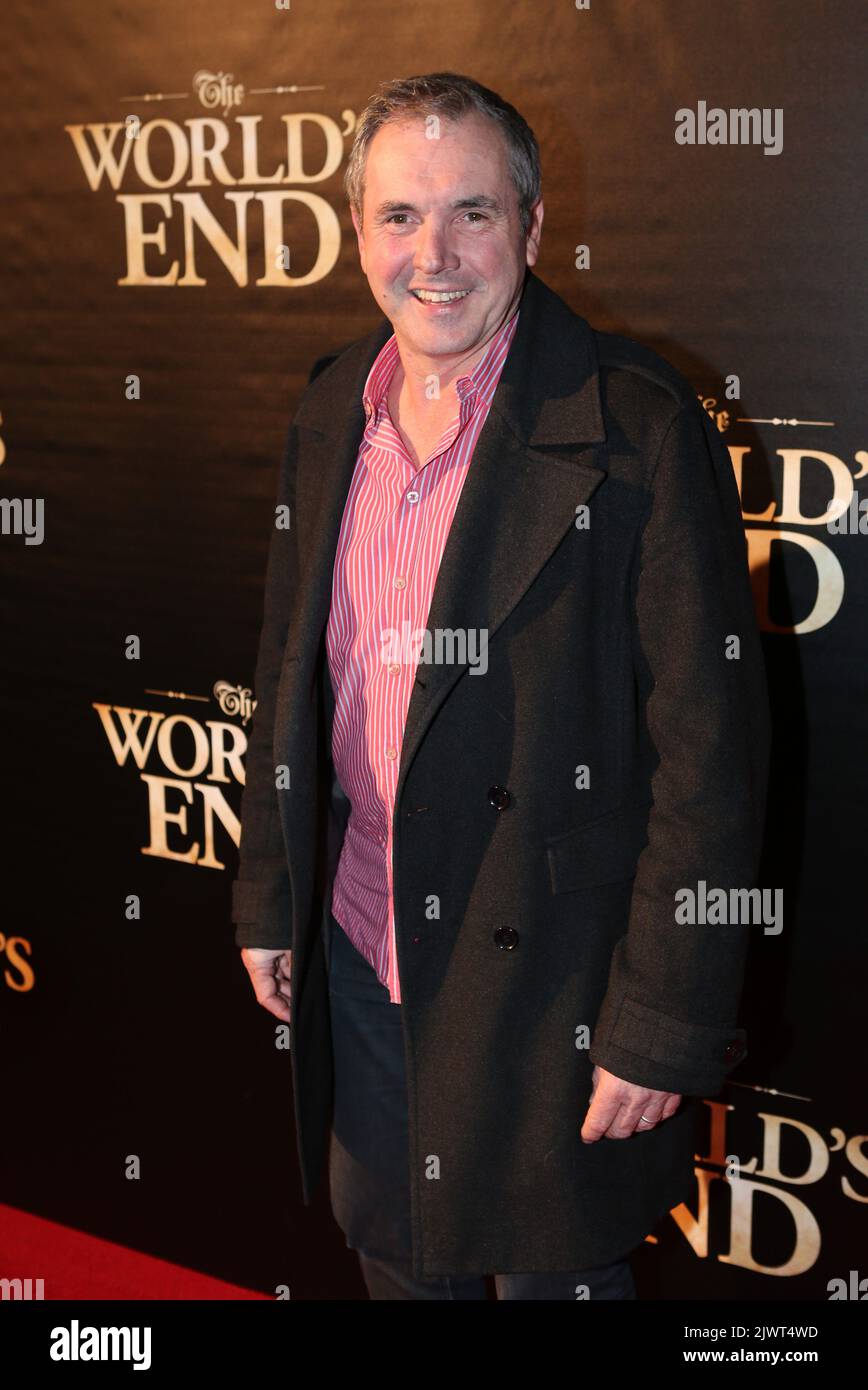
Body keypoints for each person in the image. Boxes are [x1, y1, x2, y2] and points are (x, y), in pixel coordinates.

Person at [231, 72, 770, 1300]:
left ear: (530, 226)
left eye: (472, 213)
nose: (434, 254)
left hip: (555, 990)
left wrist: (662, 1018)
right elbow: (284, 669)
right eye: (398, 215)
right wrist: (272, 888)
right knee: (394, 1267)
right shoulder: (329, 409)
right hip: (366, 960)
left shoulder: (632, 424)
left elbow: (709, 751)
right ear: (357, 228)